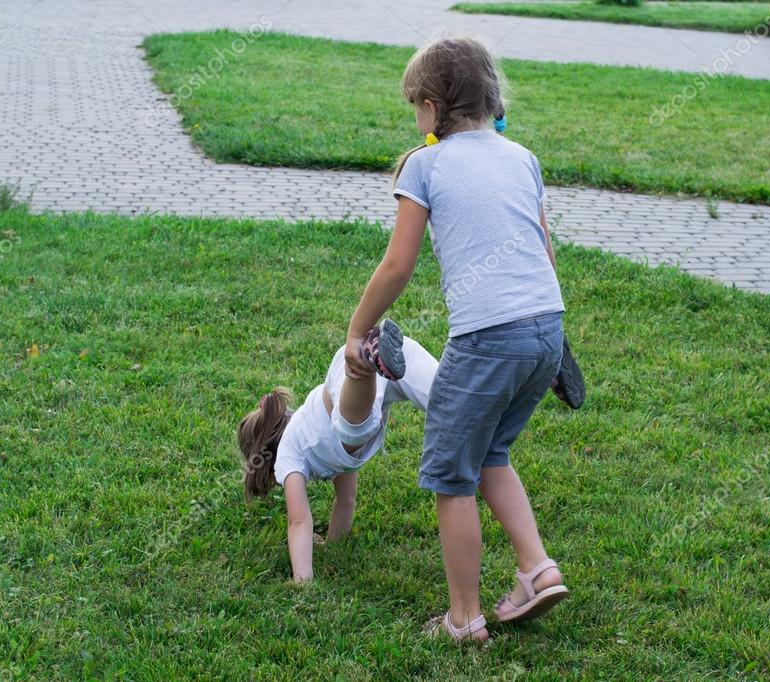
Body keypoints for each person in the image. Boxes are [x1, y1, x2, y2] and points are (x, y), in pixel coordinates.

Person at [344, 36, 569, 642]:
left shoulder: (426, 164)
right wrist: (552, 347)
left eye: (415, 104)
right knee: (491, 450)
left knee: (451, 476)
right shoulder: (521, 156)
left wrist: (358, 329)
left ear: (433, 106)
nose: (414, 117)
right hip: (547, 329)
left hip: (486, 341)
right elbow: (544, 251)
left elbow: (397, 265)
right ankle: (537, 569)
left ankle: (464, 620)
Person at [239, 320, 437, 582]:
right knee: (451, 401)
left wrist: (302, 581)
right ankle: (376, 352)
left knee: (352, 429)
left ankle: (367, 359)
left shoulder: (288, 453)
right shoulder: (318, 445)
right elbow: (346, 499)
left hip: (351, 374)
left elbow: (299, 521)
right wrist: (333, 545)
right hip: (382, 371)